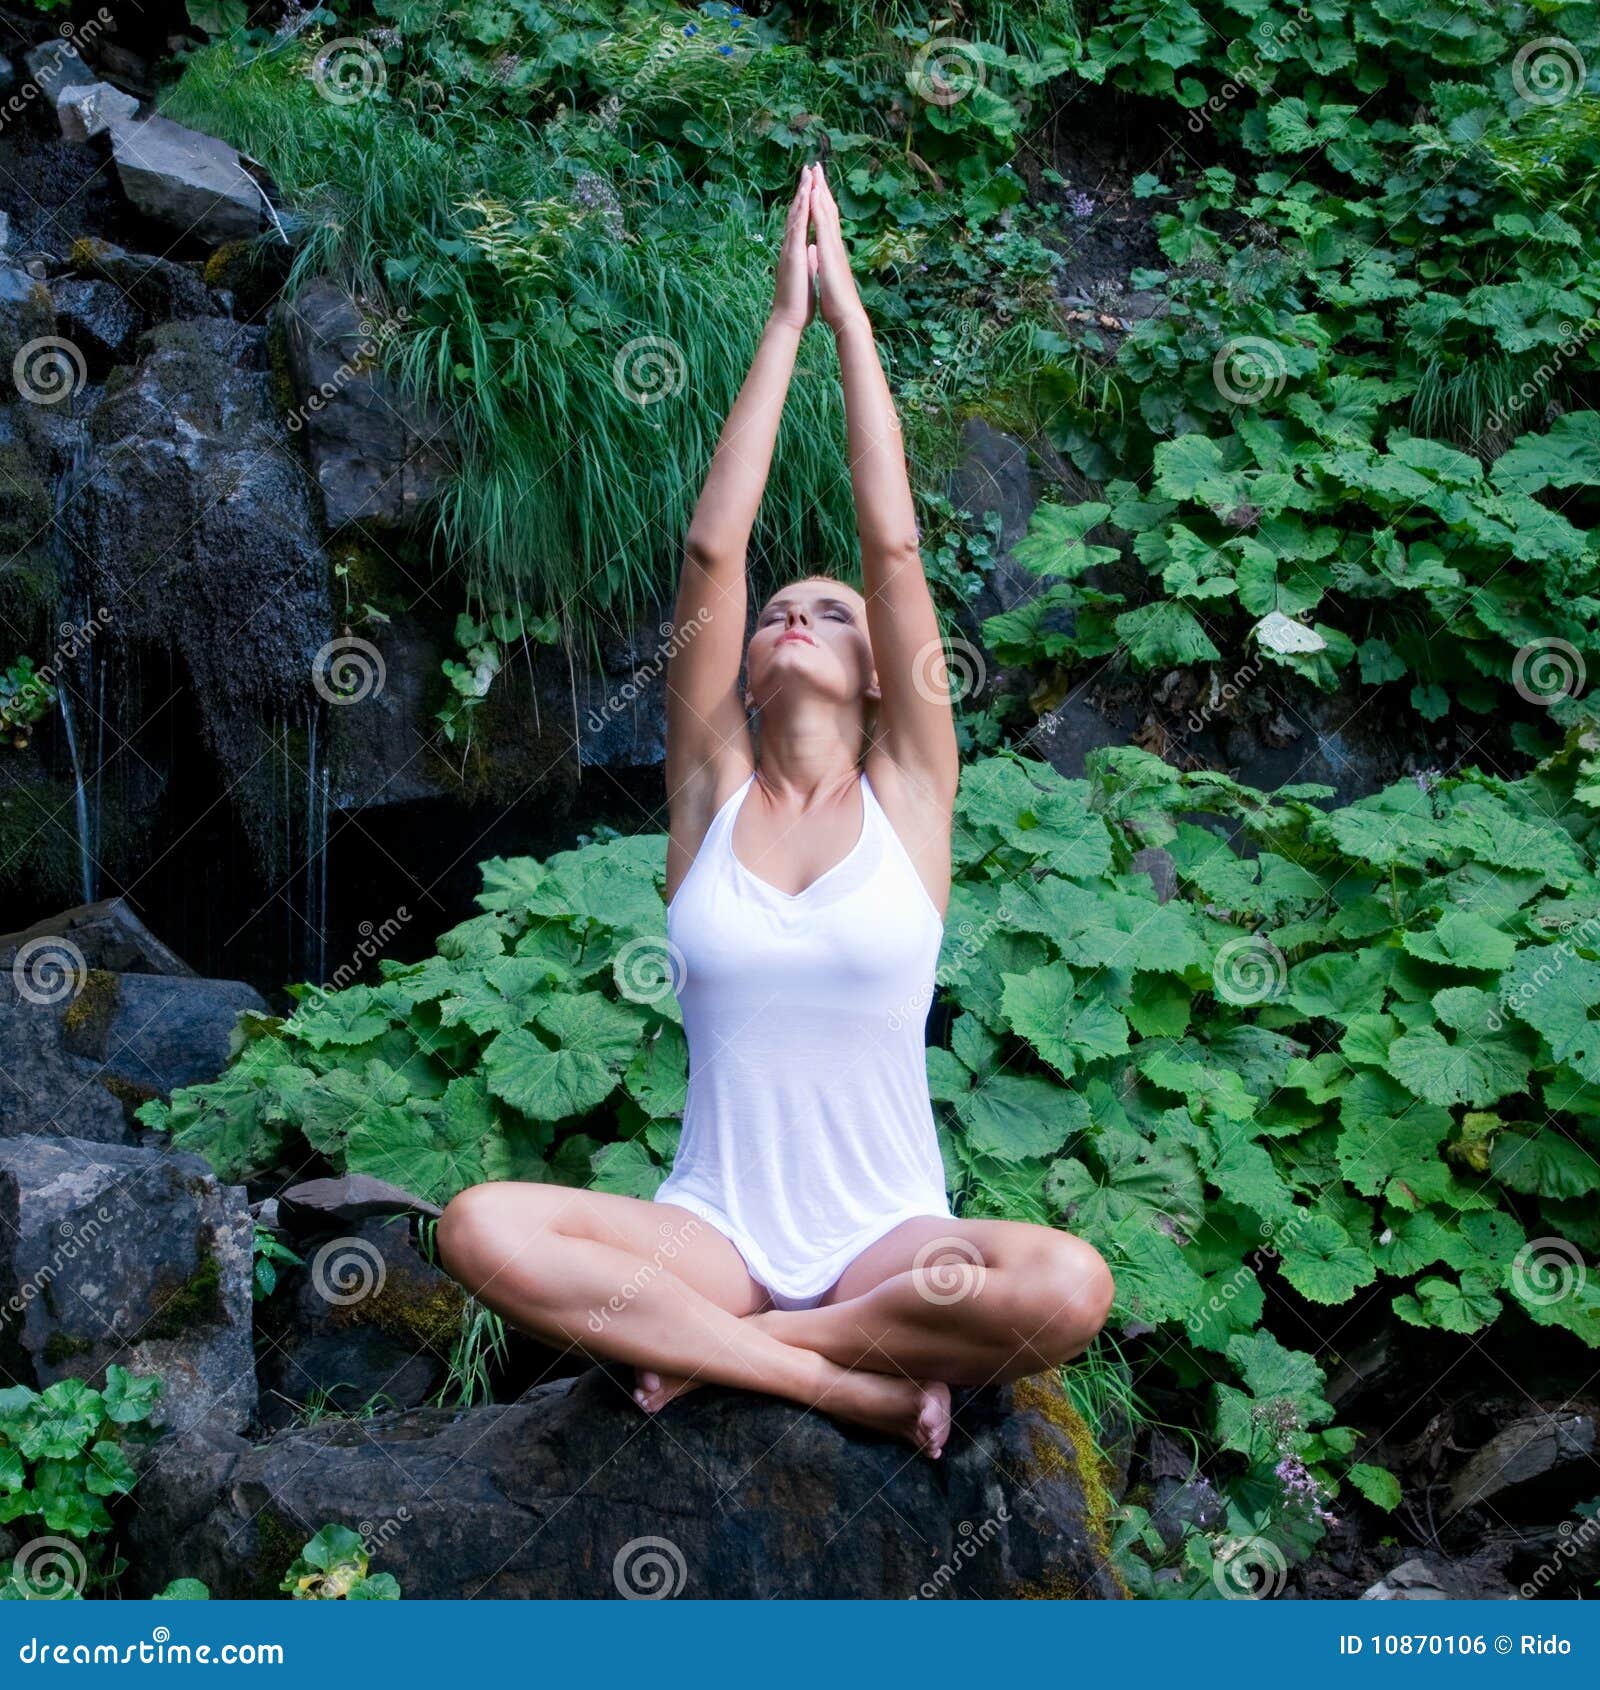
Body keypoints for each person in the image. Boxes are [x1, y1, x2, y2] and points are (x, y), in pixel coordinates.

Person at [436, 163, 1114, 1461]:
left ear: (880, 671)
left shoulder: (912, 795)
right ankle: (838, 1383)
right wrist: (780, 324)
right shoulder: (709, 795)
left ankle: (744, 1353)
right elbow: (712, 552)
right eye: (778, 612)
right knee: (478, 1225)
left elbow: (894, 548)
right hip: (714, 1236)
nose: (796, 615)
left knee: (1068, 1284)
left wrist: (848, 320)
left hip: (886, 1240)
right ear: (745, 665)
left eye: (832, 614)